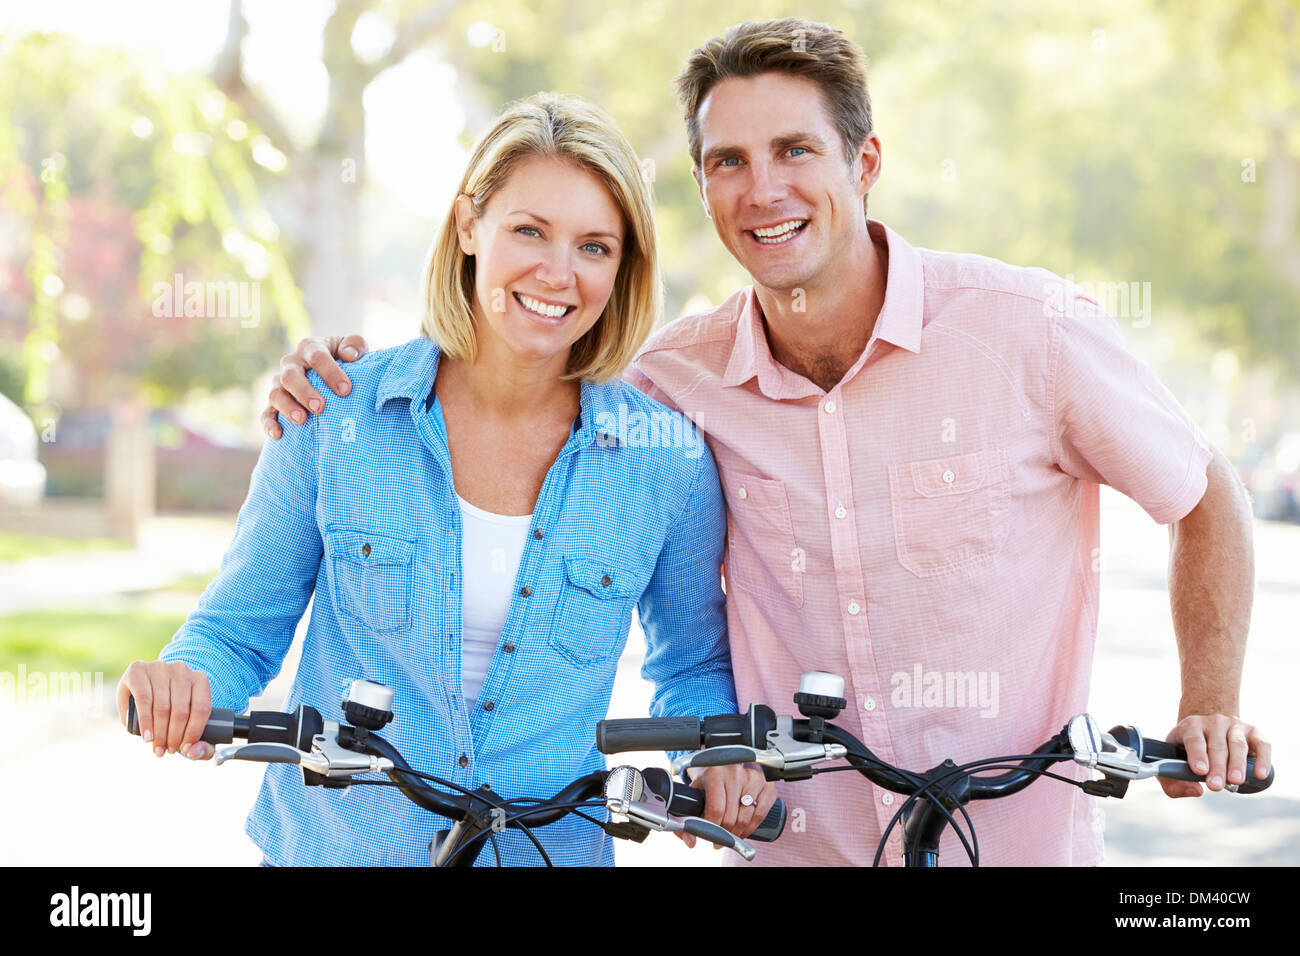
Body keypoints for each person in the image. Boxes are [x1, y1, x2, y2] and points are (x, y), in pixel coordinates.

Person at [261, 20, 1271, 866]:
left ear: (863, 161)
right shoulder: (671, 383)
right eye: (728, 162)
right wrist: (338, 375)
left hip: (1006, 840)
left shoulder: (1026, 331)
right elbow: (511, 375)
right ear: (701, 186)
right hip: (796, 847)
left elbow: (1202, 491)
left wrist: (1208, 704)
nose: (762, 189)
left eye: (794, 150)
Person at [116, 91, 775, 867]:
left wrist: (715, 751)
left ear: (623, 265)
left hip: (548, 853)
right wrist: (186, 684)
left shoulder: (665, 460)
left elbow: (690, 662)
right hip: (337, 852)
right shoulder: (334, 415)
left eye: (595, 246)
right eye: (530, 230)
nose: (558, 273)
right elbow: (237, 627)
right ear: (470, 226)